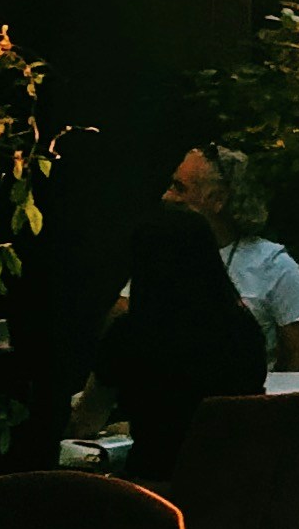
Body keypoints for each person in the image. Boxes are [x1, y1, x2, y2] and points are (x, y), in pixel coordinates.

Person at [96, 201, 267, 482]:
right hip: (232, 486)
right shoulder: (243, 330)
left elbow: (89, 416)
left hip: (155, 492)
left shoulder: (129, 335)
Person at [164, 143, 299, 365]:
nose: (167, 197)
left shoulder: (273, 265)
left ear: (218, 199)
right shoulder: (164, 255)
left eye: (179, 188)